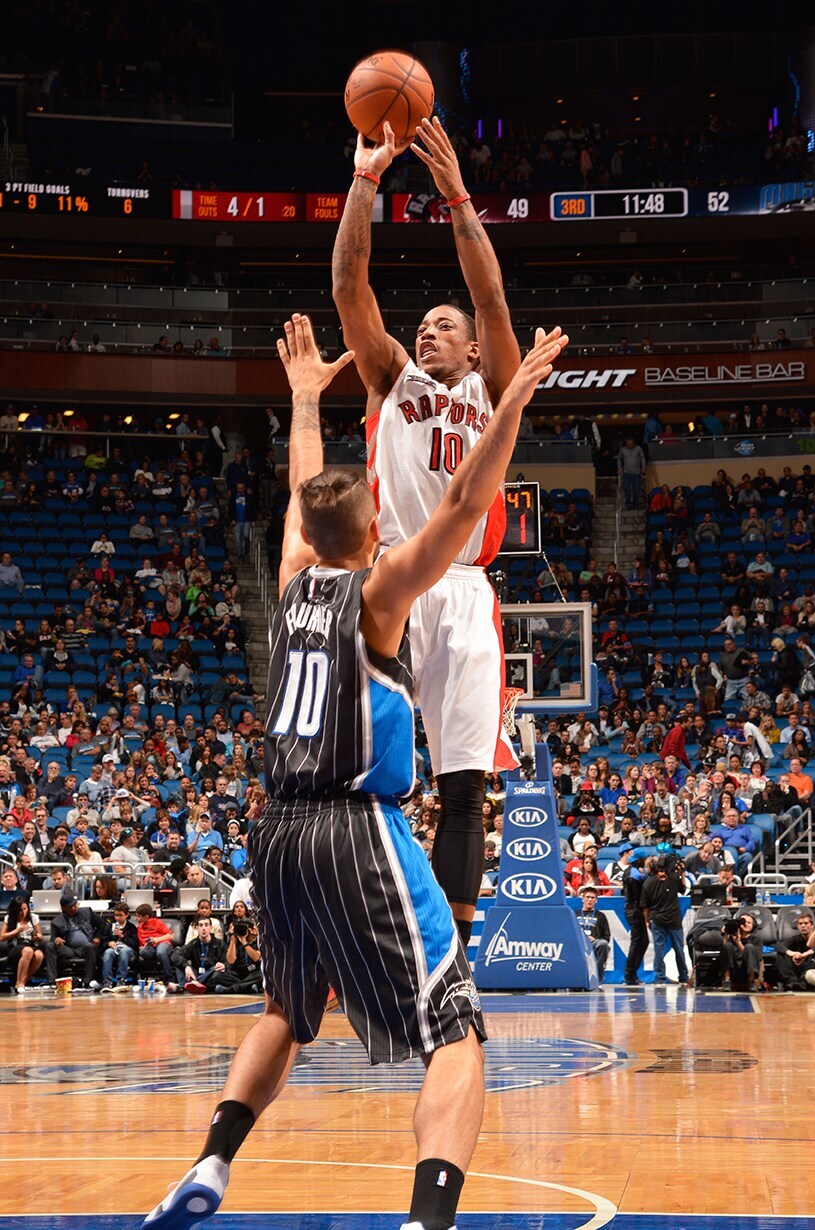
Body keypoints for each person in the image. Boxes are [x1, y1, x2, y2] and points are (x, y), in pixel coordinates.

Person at [142, 314, 566, 1230]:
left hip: (275, 835)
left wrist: (304, 398)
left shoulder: (292, 581)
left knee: (286, 1012)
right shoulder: (380, 594)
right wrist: (513, 401)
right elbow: (465, 503)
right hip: (351, 827)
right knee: (456, 1028)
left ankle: (212, 1160)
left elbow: (305, 493)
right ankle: (428, 1221)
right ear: (373, 528)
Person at [331, 117, 558, 953]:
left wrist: (459, 196)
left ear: (471, 347)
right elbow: (350, 288)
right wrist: (364, 182)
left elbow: (492, 299)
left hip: (462, 589)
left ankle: (451, 962)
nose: (428, 331)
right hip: (392, 578)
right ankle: (369, 941)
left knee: (463, 791)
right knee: (367, 782)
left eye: (442, 326)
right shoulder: (389, 375)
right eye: (422, 324)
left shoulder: (493, 386)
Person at [641, 853, 688, 985]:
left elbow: (645, 907)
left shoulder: (648, 882)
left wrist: (647, 921)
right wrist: (682, 873)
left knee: (659, 950)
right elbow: (683, 890)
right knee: (679, 949)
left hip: (657, 919)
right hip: (674, 919)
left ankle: (659, 977)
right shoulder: (674, 878)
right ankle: (683, 977)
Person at [43, 891, 99, 988]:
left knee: (90, 947)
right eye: (71, 906)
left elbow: (102, 925)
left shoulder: (87, 912)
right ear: (64, 908)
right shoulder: (56, 921)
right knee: (50, 946)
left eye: (75, 904)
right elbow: (53, 938)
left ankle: (88, 981)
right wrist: (56, 940)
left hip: (85, 948)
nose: (75, 907)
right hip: (68, 949)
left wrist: (98, 937)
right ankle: (52, 981)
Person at [0, 896, 44, 992]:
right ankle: (19, 983)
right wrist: (17, 930)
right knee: (28, 951)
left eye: (25, 909)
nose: (23, 912)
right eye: (20, 910)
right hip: (15, 946)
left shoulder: (33, 917)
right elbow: (2, 937)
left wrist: (38, 936)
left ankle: (22, 982)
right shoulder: (9, 918)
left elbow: (40, 935)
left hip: (30, 944)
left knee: (39, 955)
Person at [718, 911, 764, 991]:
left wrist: (738, 942)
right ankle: (727, 980)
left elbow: (757, 958)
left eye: (749, 923)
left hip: (748, 969)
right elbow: (725, 954)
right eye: (743, 922)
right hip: (733, 969)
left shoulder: (756, 939)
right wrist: (725, 934)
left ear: (753, 926)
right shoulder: (731, 938)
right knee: (727, 946)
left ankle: (751, 981)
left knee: (749, 947)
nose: (746, 924)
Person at [99, 901, 139, 989]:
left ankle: (121, 979)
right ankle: (107, 980)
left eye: (120, 915)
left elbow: (134, 943)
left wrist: (122, 936)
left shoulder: (131, 927)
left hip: (127, 948)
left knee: (124, 952)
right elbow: (103, 941)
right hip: (114, 948)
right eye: (116, 915)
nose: (117, 918)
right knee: (108, 953)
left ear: (127, 915)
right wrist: (108, 943)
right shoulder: (109, 926)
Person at [776, 911, 815, 991]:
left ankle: (803, 982)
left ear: (812, 925)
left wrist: (805, 954)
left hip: (813, 967)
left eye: (806, 923)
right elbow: (779, 946)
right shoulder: (796, 939)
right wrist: (792, 953)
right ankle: (791, 981)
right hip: (799, 966)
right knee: (782, 953)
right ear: (797, 927)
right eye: (800, 924)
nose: (803, 926)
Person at [622, 852, 648, 985]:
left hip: (631, 909)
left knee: (643, 942)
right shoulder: (636, 875)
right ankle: (629, 975)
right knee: (637, 942)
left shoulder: (629, 872)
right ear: (639, 860)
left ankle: (632, 973)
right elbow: (639, 897)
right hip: (635, 911)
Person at [576, 886, 611, 981]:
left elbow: (606, 936)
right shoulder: (575, 914)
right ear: (582, 899)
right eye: (587, 897)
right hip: (578, 943)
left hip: (594, 943)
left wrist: (595, 939)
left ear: (596, 900)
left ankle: (597, 978)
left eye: (592, 898)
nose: (590, 900)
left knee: (603, 944)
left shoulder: (601, 916)